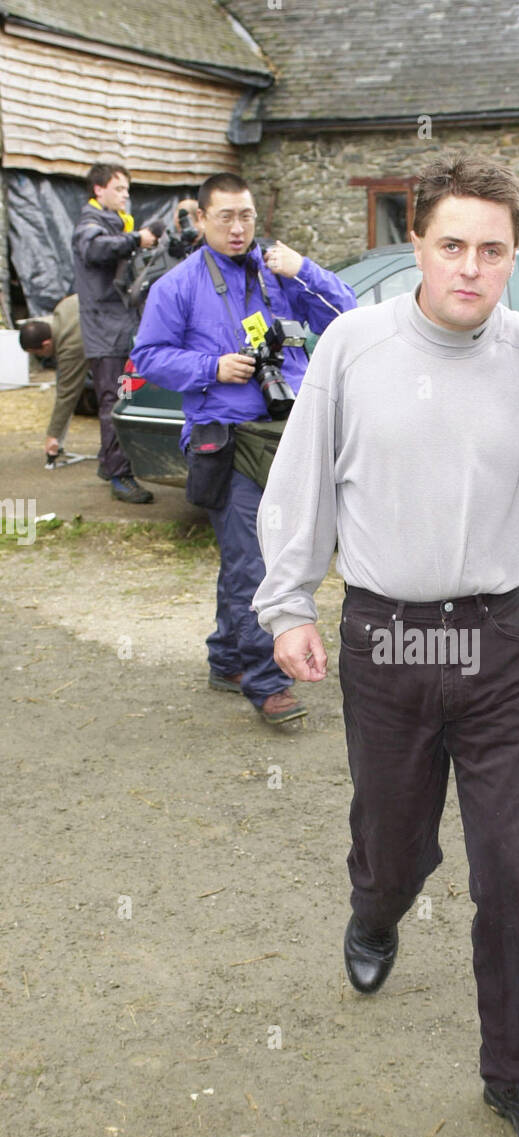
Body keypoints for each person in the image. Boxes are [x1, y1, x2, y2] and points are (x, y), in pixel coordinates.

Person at [253, 156, 519, 1137]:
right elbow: (302, 483)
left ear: (517, 258)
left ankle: (514, 1069)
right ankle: (379, 903)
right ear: (420, 245)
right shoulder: (353, 343)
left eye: (493, 250)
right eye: (451, 245)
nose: (471, 268)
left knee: (513, 874)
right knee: (391, 842)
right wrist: (287, 600)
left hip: (500, 646)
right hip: (384, 639)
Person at [131, 172, 356, 727]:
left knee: (247, 560)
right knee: (254, 562)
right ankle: (265, 682)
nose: (238, 228)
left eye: (247, 216)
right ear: (202, 219)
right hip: (226, 442)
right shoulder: (178, 286)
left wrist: (302, 269)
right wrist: (211, 368)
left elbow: (346, 317)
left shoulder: (275, 272)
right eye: (226, 217)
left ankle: (227, 659)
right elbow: (147, 357)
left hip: (287, 433)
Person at [71, 161, 159, 503]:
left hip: (120, 326)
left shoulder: (114, 223)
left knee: (123, 395)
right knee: (115, 400)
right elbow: (95, 249)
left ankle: (110, 464)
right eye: (119, 189)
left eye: (127, 189)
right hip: (106, 332)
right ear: (99, 190)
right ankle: (120, 475)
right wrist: (136, 238)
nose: (126, 196)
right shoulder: (90, 224)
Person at [18, 295, 88, 465]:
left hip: (124, 355)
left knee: (122, 396)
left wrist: (52, 435)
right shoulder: (63, 307)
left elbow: (67, 394)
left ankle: (120, 453)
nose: (40, 358)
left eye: (37, 353)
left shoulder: (70, 346)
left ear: (46, 344)